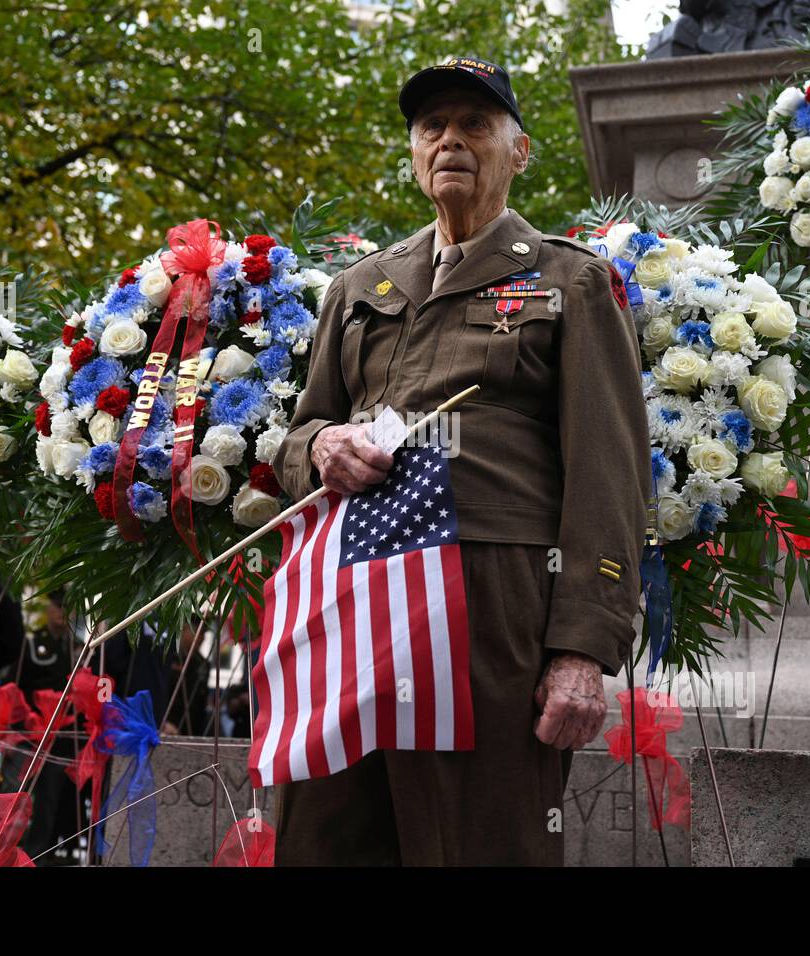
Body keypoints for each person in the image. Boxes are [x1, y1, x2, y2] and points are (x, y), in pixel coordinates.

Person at [269, 56, 651, 865]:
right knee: (324, 840)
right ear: (413, 152)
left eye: (475, 125)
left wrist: (583, 648)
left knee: (478, 841)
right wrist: (321, 447)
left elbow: (609, 477)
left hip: (492, 612)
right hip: (353, 604)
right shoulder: (357, 287)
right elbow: (297, 440)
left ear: (518, 152)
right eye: (431, 126)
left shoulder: (569, 282)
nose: (450, 141)